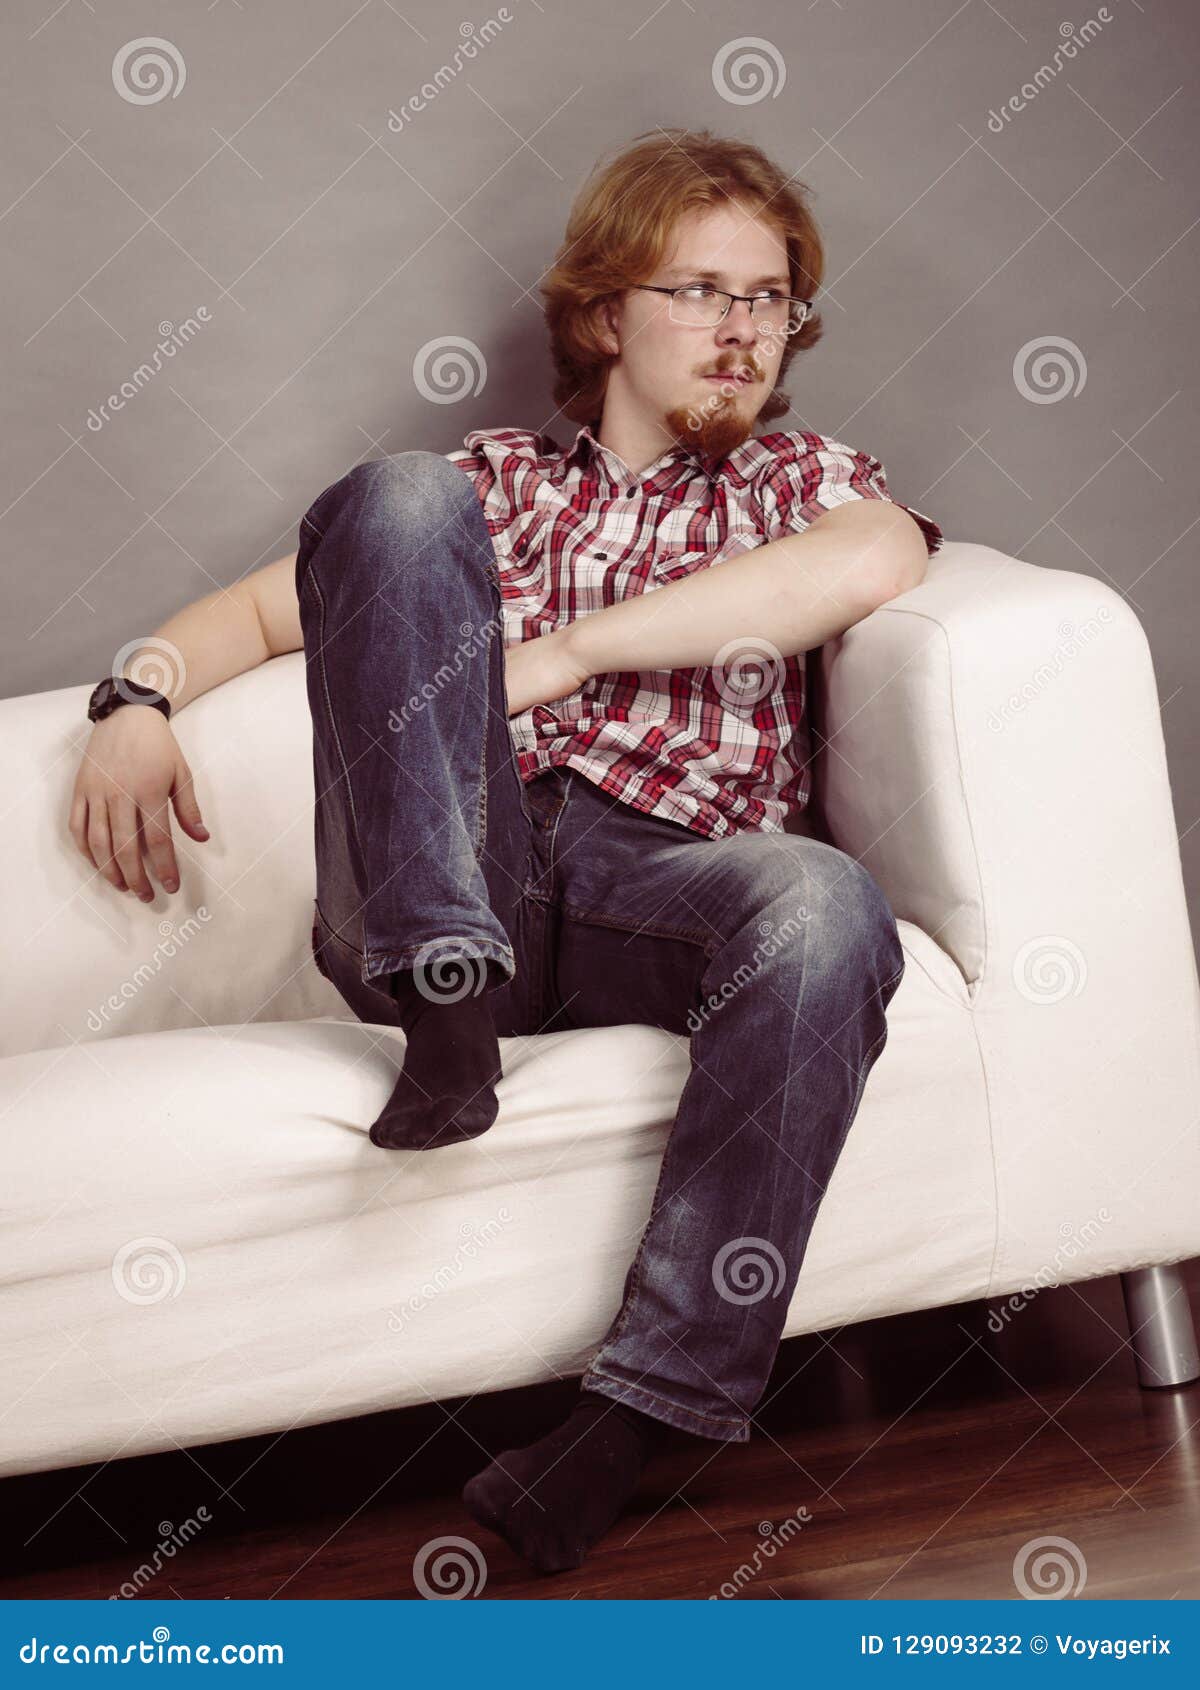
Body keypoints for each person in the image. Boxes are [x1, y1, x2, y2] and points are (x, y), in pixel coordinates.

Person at [68, 128, 942, 1577]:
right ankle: (446, 990)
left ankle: (635, 1416)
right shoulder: (495, 491)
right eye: (702, 291)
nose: (742, 330)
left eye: (769, 300)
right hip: (459, 858)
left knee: (826, 898)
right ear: (605, 315)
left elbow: (873, 559)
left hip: (661, 886)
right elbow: (260, 613)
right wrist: (135, 699)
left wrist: (563, 656)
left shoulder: (798, 480)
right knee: (391, 494)